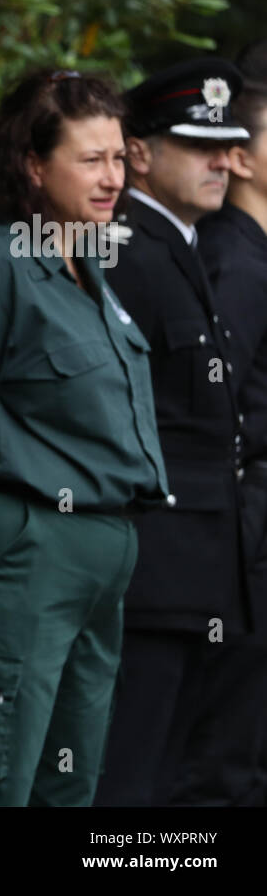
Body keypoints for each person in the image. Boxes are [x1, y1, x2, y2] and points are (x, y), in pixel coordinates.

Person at [0, 69, 169, 807]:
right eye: (90, 159)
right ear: (33, 164)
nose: (111, 177)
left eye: (119, 158)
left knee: (69, 781)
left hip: (96, 560)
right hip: (21, 558)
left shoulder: (86, 267)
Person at [97, 58, 251, 806]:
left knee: (163, 779)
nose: (222, 159)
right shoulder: (127, 251)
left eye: (227, 144)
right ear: (141, 152)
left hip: (198, 569)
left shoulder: (179, 247)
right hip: (153, 567)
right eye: (199, 144)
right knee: (129, 776)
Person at [184, 69, 267, 806]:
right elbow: (218, 412)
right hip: (243, 528)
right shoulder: (233, 261)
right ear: (240, 157)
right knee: (227, 752)